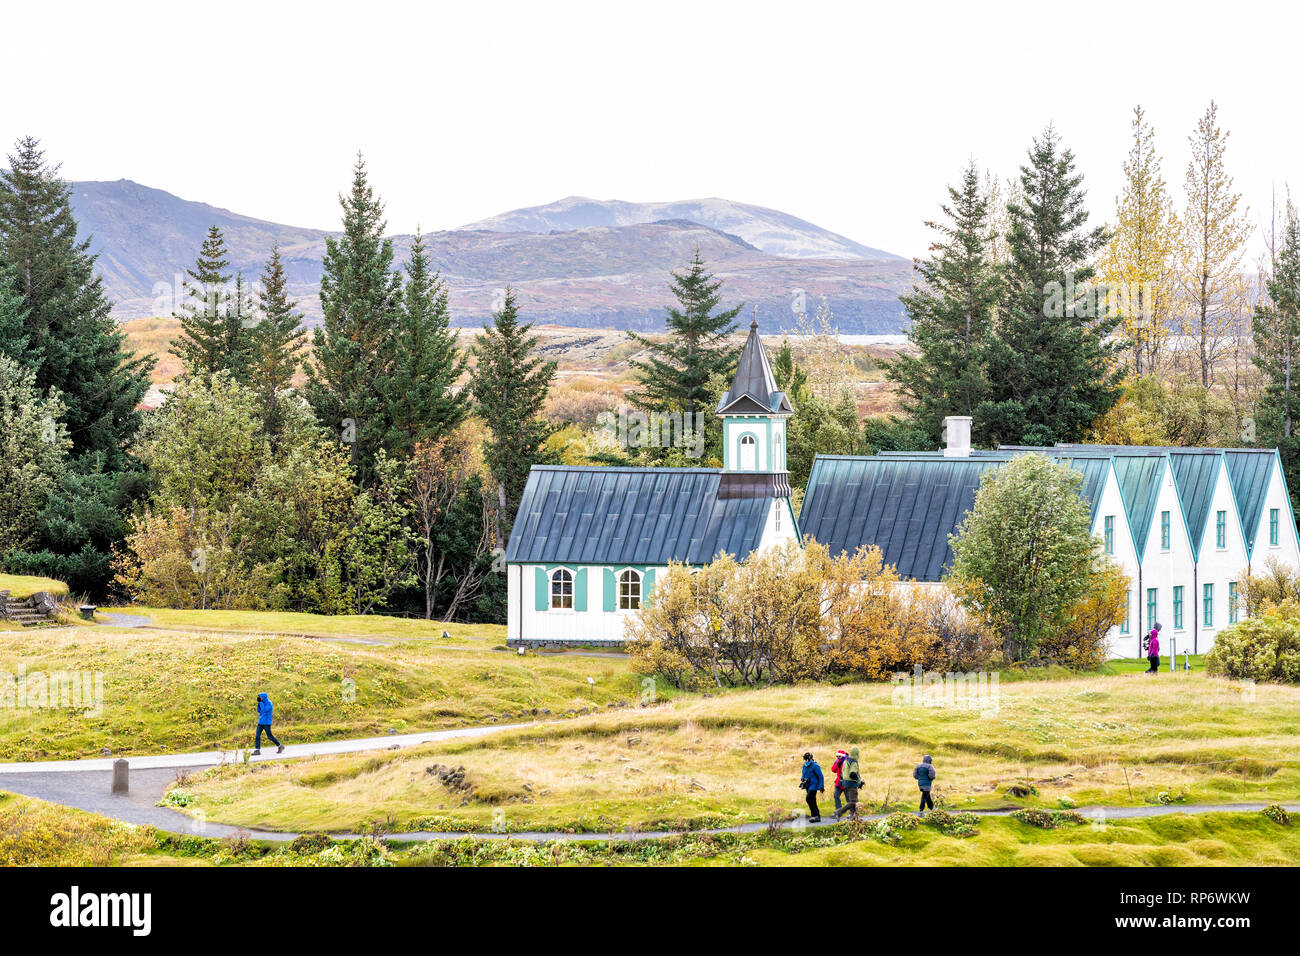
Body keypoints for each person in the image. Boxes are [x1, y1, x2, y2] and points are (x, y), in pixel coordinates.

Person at [834, 747, 864, 819]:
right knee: (853, 802)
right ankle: (839, 812)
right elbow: (852, 774)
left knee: (854, 801)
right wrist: (860, 781)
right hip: (851, 784)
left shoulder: (846, 760)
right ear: (856, 754)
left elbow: (843, 772)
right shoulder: (853, 761)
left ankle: (855, 817)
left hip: (845, 783)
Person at [799, 752, 824, 823]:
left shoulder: (815, 766)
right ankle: (816, 816)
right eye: (805, 758)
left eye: (807, 759)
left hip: (814, 785)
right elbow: (803, 773)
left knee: (808, 799)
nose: (805, 760)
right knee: (812, 800)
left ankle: (815, 815)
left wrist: (821, 787)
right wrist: (802, 778)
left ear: (810, 758)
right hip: (807, 785)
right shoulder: (804, 765)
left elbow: (820, 776)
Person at [830, 748, 849, 815]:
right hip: (839, 782)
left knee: (848, 799)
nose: (838, 757)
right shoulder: (838, 761)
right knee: (836, 796)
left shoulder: (847, 762)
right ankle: (839, 811)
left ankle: (852, 813)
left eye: (839, 756)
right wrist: (836, 762)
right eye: (837, 756)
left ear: (843, 756)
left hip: (846, 782)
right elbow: (833, 770)